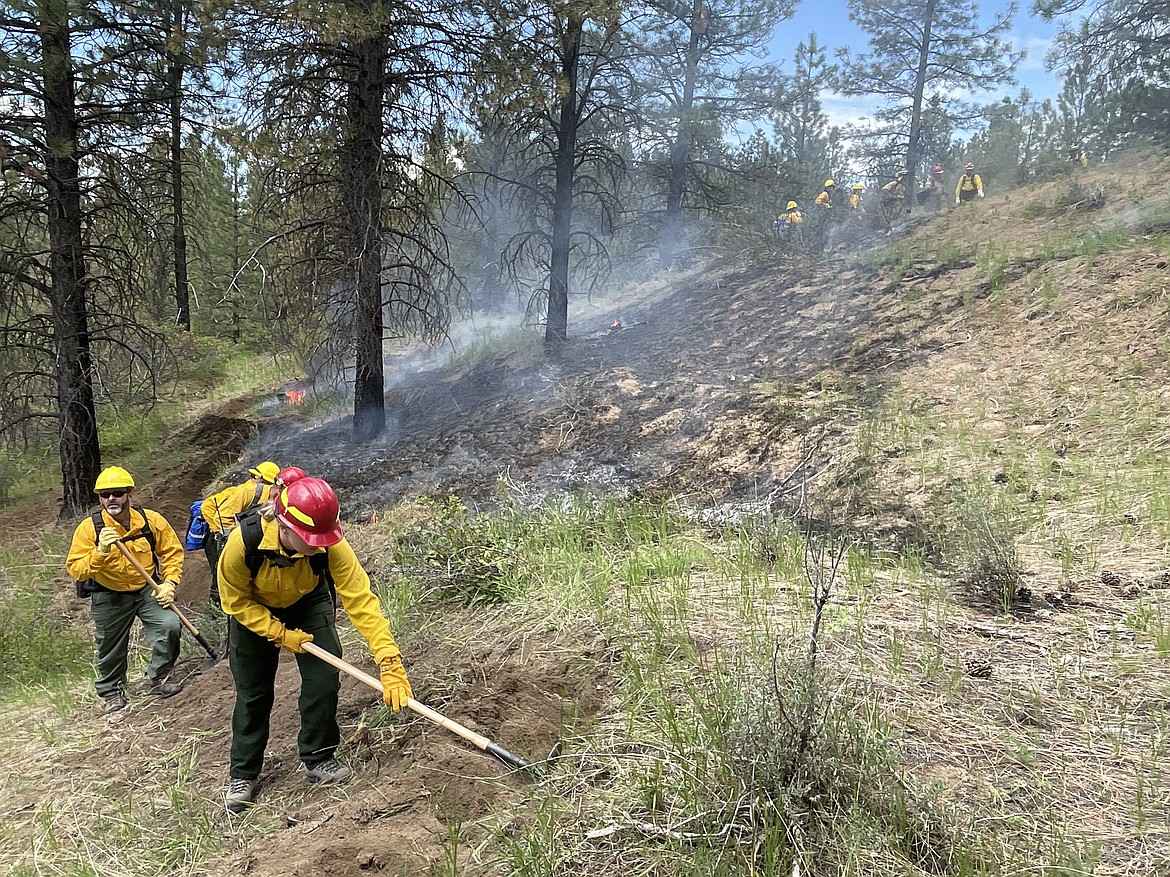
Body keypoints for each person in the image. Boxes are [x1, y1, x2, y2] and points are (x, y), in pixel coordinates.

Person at [217, 476, 413, 814]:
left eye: (325, 539)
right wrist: (279, 634)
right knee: (254, 691)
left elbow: (361, 600)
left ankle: (319, 756)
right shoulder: (242, 544)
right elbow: (234, 601)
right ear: (284, 525)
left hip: (308, 602)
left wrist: (389, 659)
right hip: (254, 611)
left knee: (324, 678)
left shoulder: (330, 544)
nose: (321, 545)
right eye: (312, 539)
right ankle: (243, 772)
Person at [66, 466, 185, 714]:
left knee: (169, 626)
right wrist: (100, 552)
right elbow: (76, 569)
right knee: (110, 645)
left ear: (130, 494)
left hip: (147, 589)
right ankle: (112, 691)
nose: (111, 499)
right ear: (99, 498)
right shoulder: (90, 529)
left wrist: (169, 584)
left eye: (118, 493)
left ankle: (158, 679)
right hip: (109, 594)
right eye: (105, 494)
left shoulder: (151, 521)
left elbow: (172, 552)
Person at [200, 461, 281, 622]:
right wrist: (231, 539)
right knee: (221, 577)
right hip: (218, 536)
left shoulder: (271, 497)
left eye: (255, 477)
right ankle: (214, 619)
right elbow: (220, 517)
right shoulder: (248, 492)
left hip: (237, 537)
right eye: (253, 477)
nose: (252, 480)